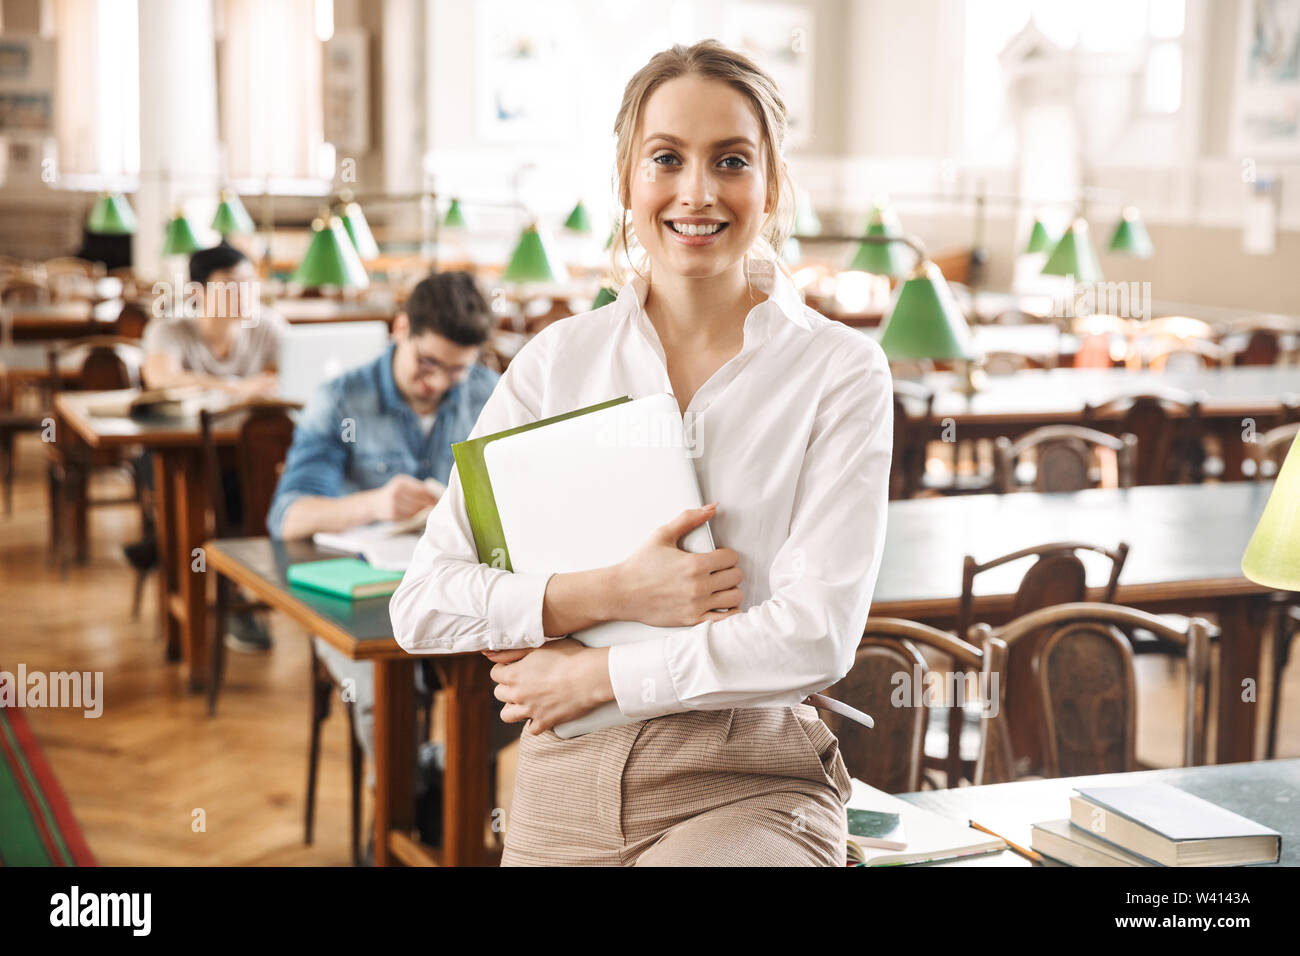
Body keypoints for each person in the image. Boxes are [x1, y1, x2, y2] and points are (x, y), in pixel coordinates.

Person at [390, 40, 893, 866]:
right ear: (628, 179)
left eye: (731, 160)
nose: (697, 192)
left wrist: (600, 676)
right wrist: (610, 592)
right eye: (667, 158)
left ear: (771, 186)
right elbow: (426, 604)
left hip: (747, 774)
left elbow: (816, 636)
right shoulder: (557, 362)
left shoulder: (839, 371)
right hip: (566, 770)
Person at [269, 270, 513, 819]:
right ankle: (400, 816)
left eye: (457, 368)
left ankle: (437, 778)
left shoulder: (484, 392)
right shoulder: (341, 397)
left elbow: (519, 502)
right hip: (357, 594)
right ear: (400, 327)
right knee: (381, 696)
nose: (441, 383)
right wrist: (374, 504)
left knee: (519, 682)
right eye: (429, 364)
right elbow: (288, 518)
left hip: (458, 587)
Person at [126, 244, 286, 651]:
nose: (245, 293)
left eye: (250, 283)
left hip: (240, 451)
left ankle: (207, 578)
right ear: (197, 292)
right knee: (190, 498)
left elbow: (293, 374)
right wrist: (237, 388)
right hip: (177, 448)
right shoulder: (169, 328)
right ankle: (186, 584)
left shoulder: (269, 326)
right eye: (231, 285)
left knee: (250, 490)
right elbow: (161, 377)